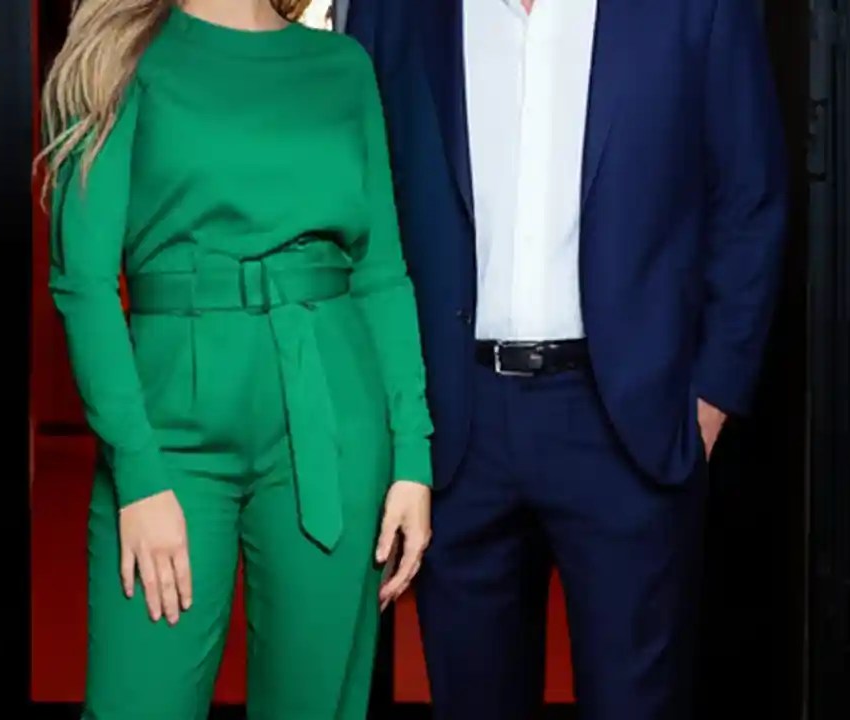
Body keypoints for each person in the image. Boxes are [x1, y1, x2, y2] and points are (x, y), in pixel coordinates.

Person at [346, 0, 787, 718]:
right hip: (454, 431)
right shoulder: (395, 13)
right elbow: (365, 210)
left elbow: (751, 198)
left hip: (629, 425)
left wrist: (709, 397)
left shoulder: (695, 10)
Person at [38, 1, 433, 717]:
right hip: (166, 435)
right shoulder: (120, 54)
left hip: (332, 416)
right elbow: (83, 284)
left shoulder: (343, 67)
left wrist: (413, 454)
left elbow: (381, 272)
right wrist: (137, 473)